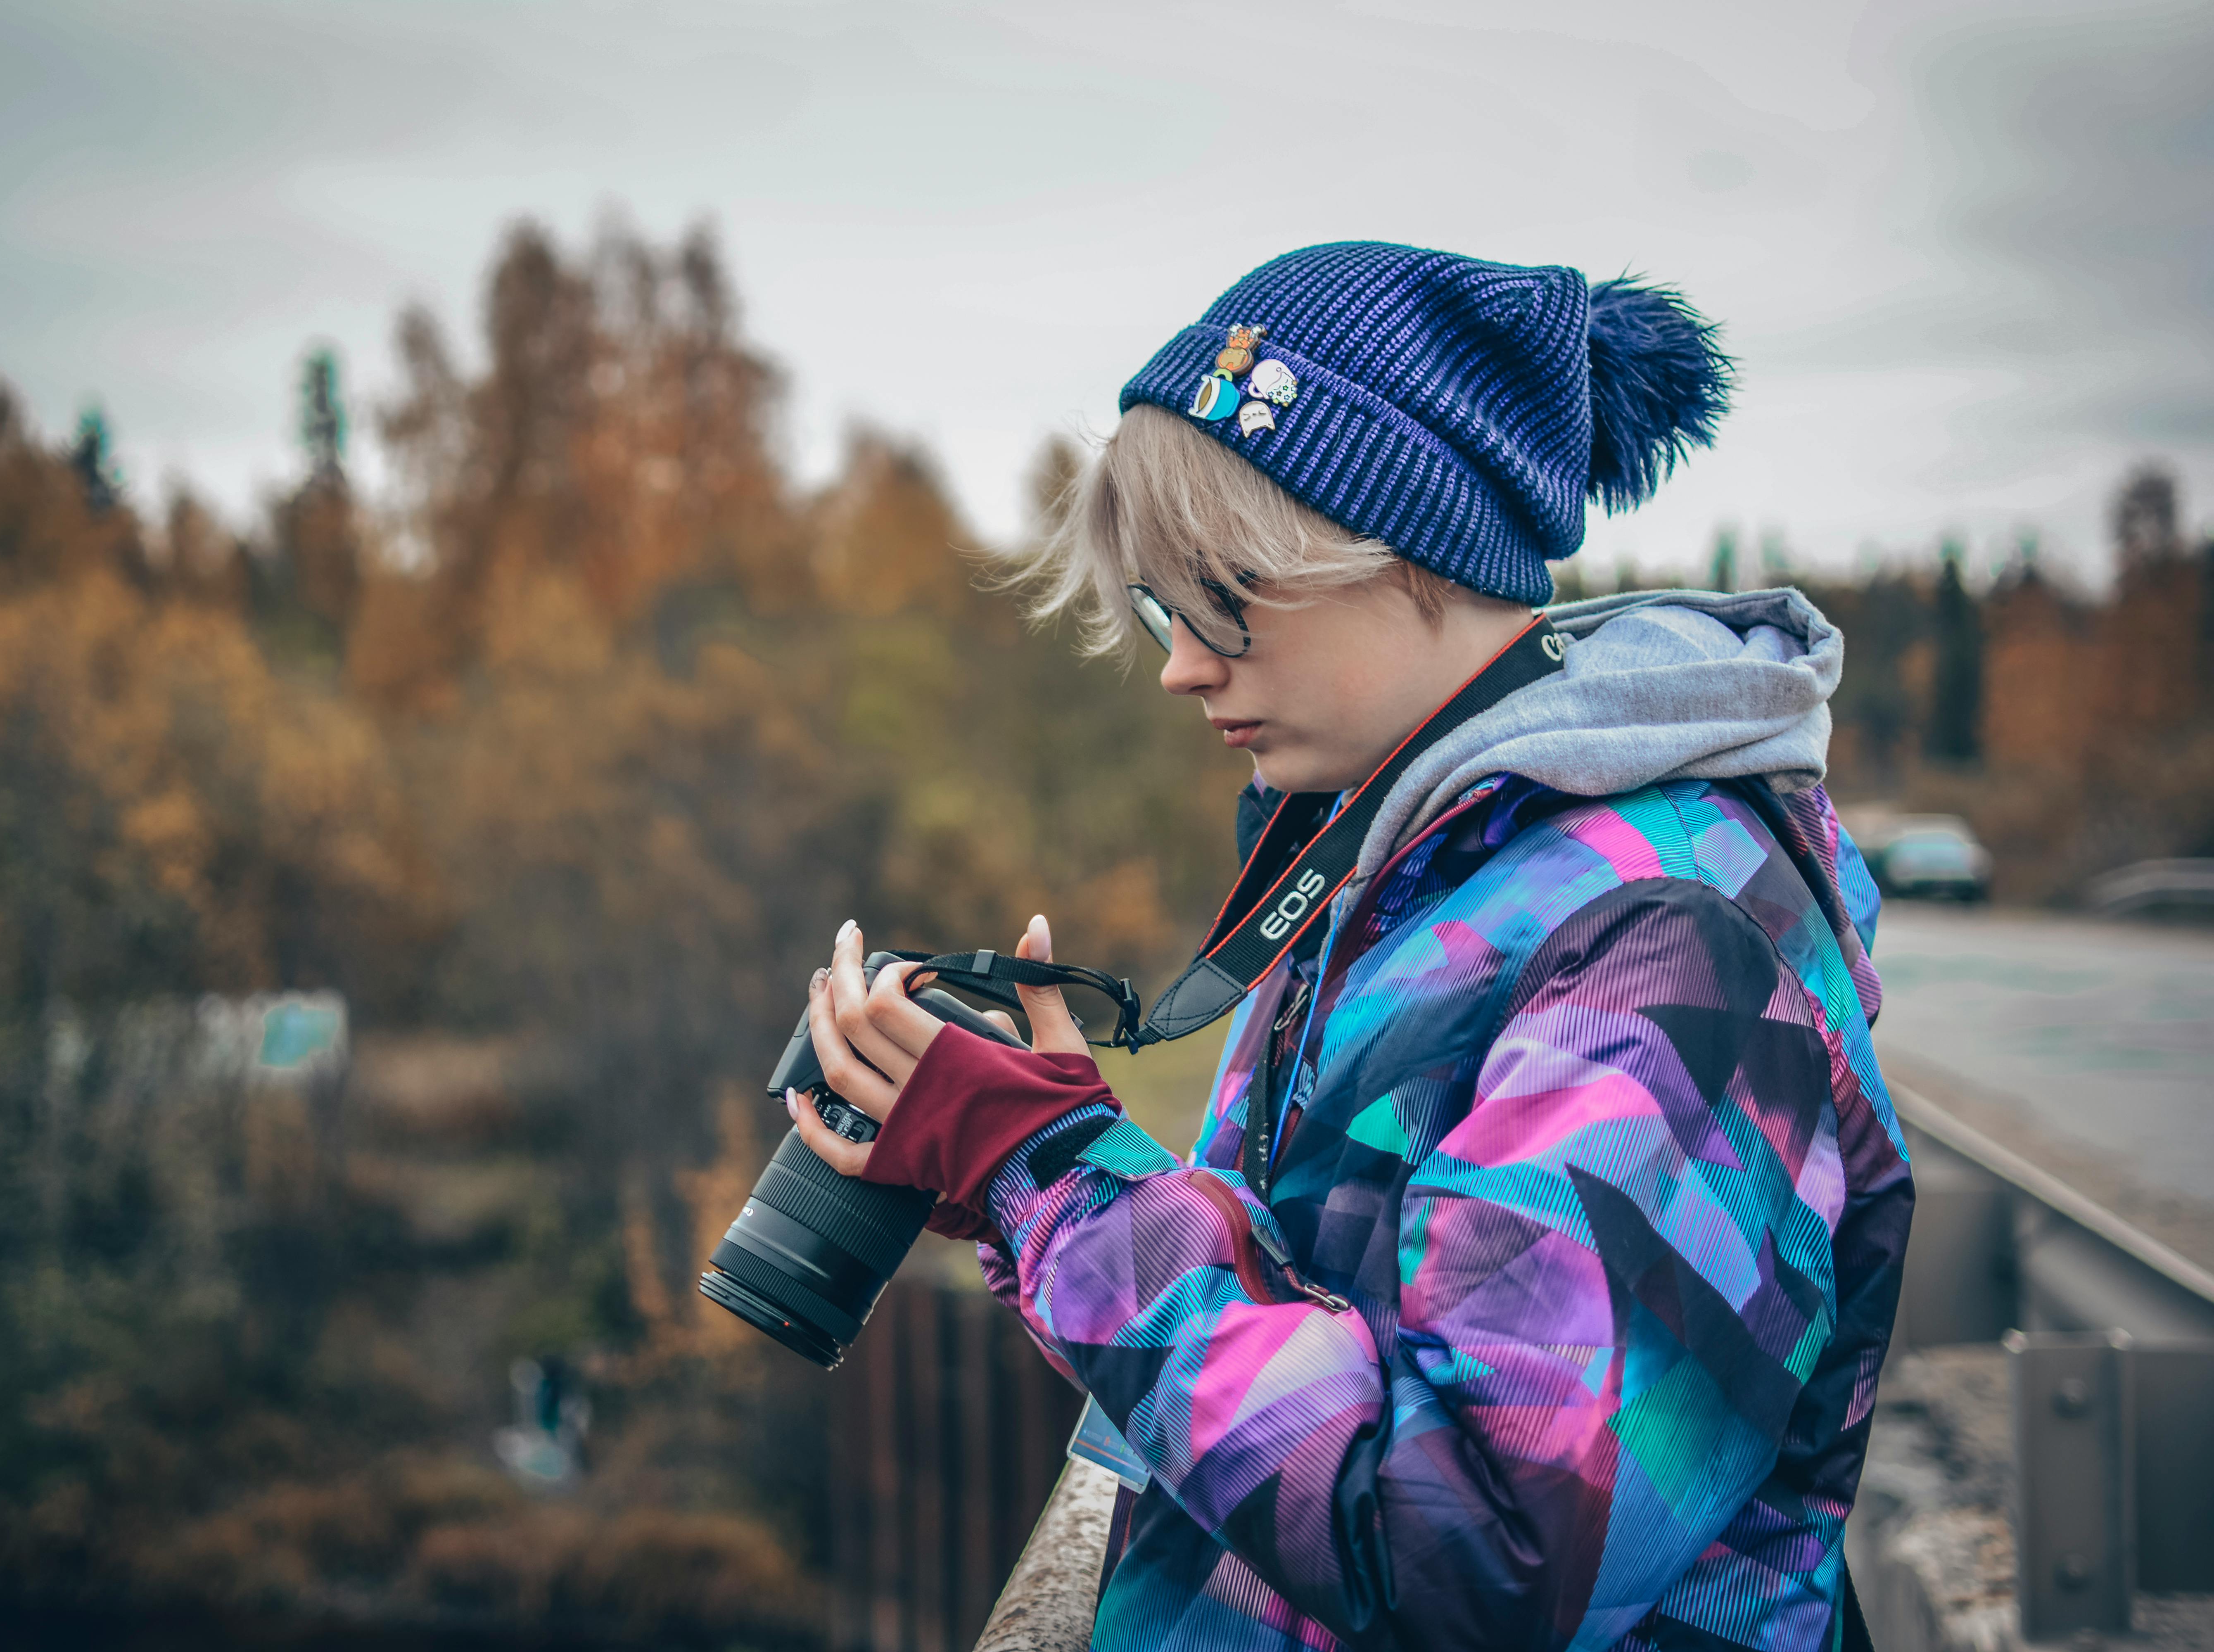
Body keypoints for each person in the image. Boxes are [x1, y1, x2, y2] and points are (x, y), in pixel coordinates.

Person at [785, 242, 1913, 1652]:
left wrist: (1056, 1179)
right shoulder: (1418, 860)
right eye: (1157, 609)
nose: (1181, 664)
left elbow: (1476, 1546)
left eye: (1216, 595)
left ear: (1396, 547)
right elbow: (1328, 1293)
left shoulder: (1667, 952)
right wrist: (1013, 1173)